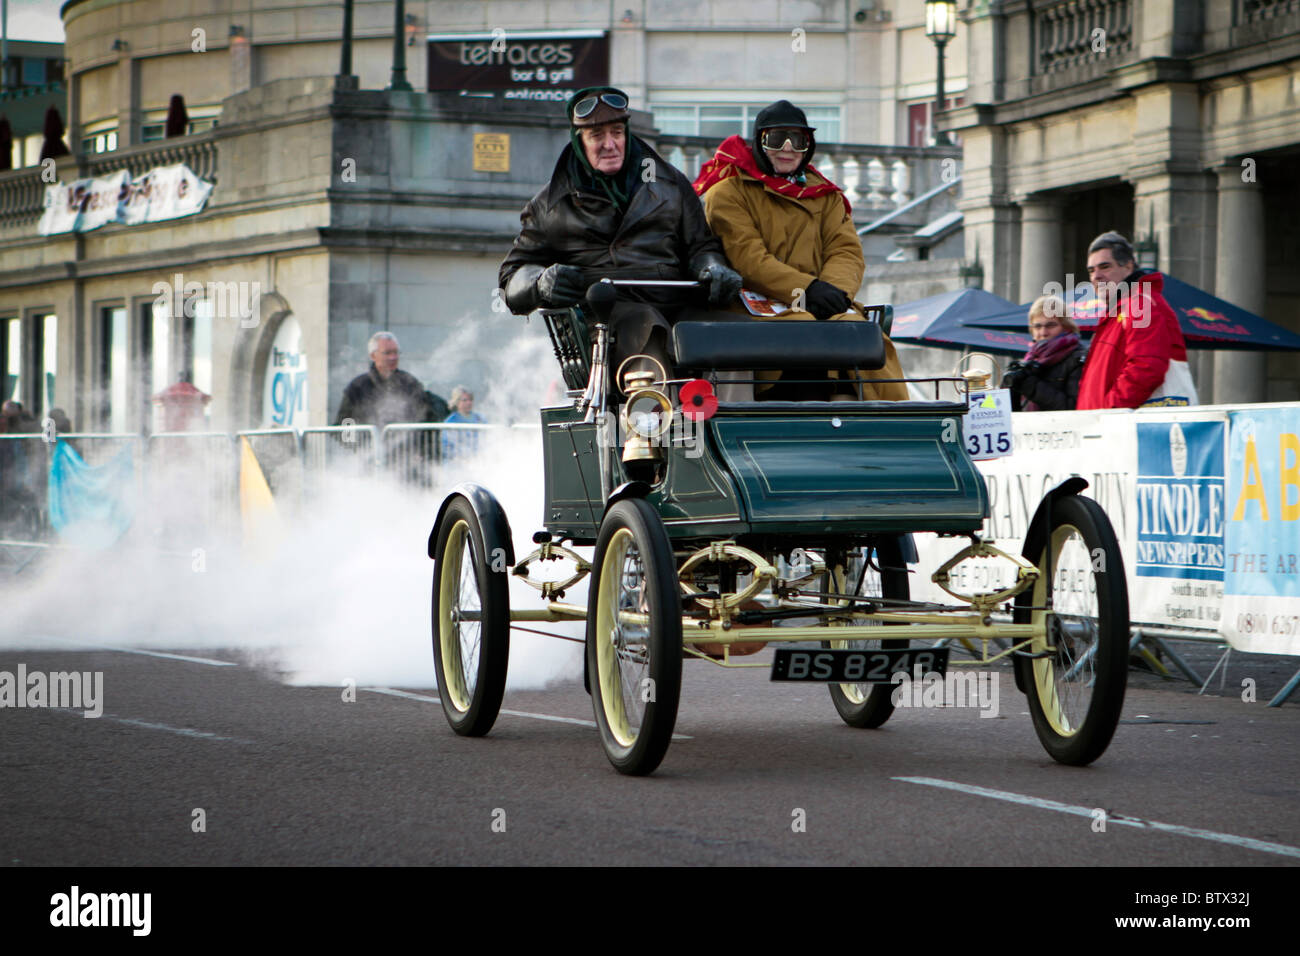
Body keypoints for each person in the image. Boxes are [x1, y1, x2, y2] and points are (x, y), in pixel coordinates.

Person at [498, 86, 743, 380]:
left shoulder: (671, 184)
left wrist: (712, 267)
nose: (610, 144)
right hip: (602, 322)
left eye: (616, 132)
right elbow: (512, 278)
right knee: (644, 324)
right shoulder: (549, 204)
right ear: (579, 141)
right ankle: (653, 420)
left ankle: (736, 421)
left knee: (733, 338)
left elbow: (702, 247)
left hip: (678, 307)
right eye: (596, 135)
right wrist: (540, 283)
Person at [694, 100, 909, 401]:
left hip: (821, 301)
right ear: (759, 142)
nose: (787, 148)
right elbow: (749, 260)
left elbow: (846, 251)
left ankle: (894, 425)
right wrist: (807, 290)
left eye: (798, 139)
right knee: (802, 329)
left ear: (808, 145)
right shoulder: (728, 192)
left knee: (860, 332)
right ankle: (792, 405)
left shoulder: (826, 195)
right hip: (757, 305)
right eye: (775, 138)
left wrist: (833, 293)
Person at [1076, 231, 1195, 409]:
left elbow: (1146, 367)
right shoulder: (1119, 311)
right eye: (1091, 270)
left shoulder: (1140, 303)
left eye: (1105, 266)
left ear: (1128, 267)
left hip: (1127, 429)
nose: (1096, 276)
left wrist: (1109, 410)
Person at [334, 332, 438, 429]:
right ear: (373, 355)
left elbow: (427, 416)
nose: (393, 357)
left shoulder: (410, 383)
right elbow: (346, 422)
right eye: (387, 353)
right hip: (368, 447)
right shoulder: (357, 387)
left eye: (396, 352)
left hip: (406, 447)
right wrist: (355, 447)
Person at [1002, 295, 1087, 411]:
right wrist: (1010, 387)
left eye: (1051, 325)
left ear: (1066, 326)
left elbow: (1073, 407)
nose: (1043, 332)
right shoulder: (1032, 357)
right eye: (1037, 326)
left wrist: (1030, 385)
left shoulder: (1078, 358)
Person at [440, 385, 485, 461]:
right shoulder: (451, 421)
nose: (469, 403)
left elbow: (487, 438)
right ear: (457, 402)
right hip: (456, 464)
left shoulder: (480, 418)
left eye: (470, 400)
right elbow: (448, 447)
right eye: (464, 400)